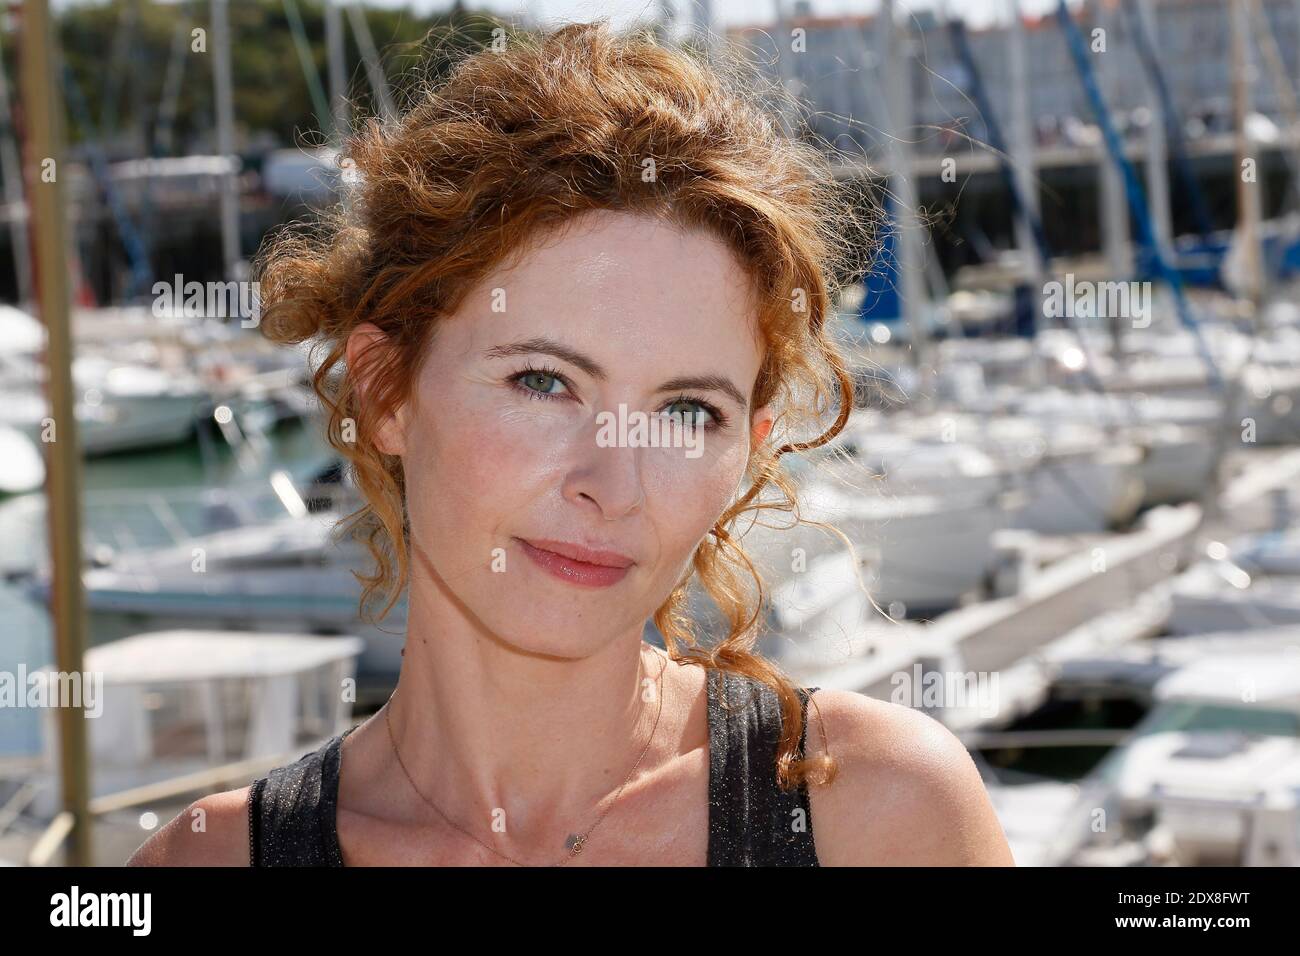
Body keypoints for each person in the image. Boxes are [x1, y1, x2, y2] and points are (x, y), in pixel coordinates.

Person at [129, 20, 1014, 867]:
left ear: (749, 447)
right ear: (386, 390)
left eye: (686, 412)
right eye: (544, 384)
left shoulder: (879, 816)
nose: (612, 483)